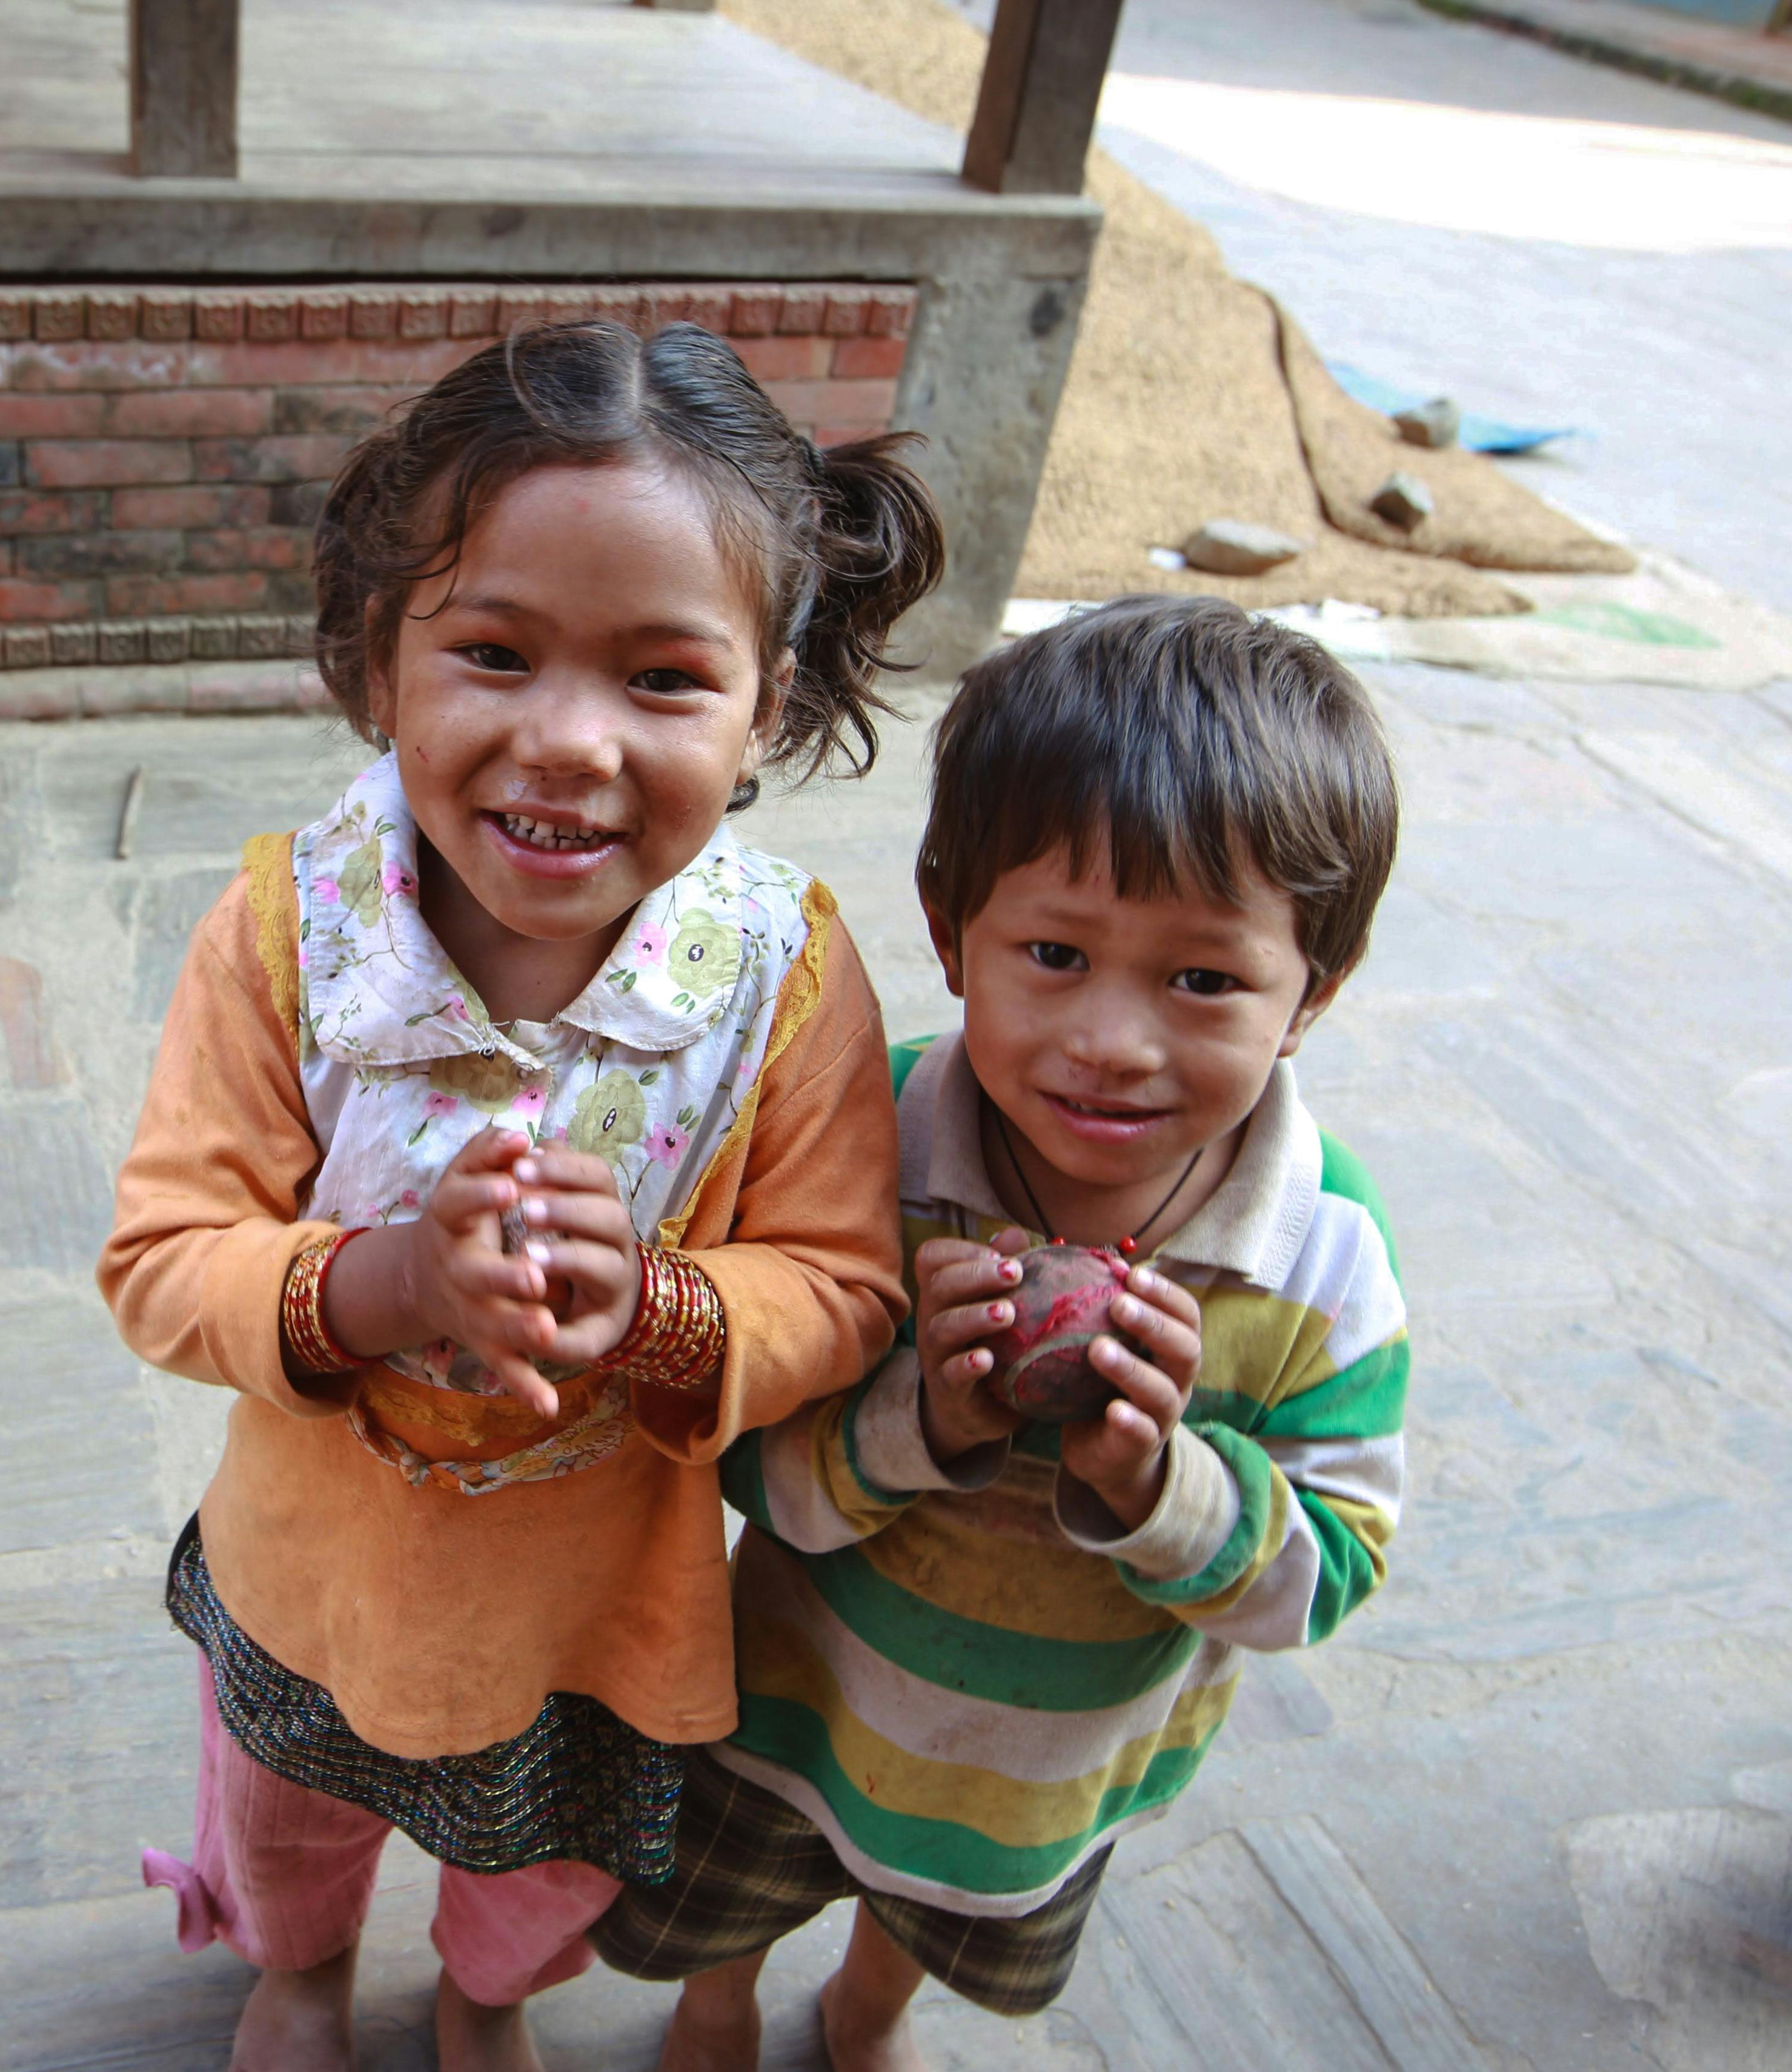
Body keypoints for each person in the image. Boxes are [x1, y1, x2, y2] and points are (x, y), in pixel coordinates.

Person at [96, 318, 943, 2071]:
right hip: (310, 1574)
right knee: (288, 1816)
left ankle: (479, 1998)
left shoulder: (780, 976)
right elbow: (164, 1257)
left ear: (764, 700)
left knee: (536, 1874)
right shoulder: (289, 935)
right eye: (492, 651)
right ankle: (304, 1970)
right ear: (376, 666)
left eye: (662, 678)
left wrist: (661, 1306)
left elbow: (847, 1284)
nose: (566, 740)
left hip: (588, 1611)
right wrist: (389, 1281)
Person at [591, 594, 1411, 2071]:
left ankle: (865, 2010)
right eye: (1052, 952)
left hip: (1043, 1764)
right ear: (948, 928)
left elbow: (1317, 1583)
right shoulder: (860, 1148)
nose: (1110, 1037)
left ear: (1312, 996)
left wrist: (1157, 1485)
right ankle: (714, 2011)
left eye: (1204, 979)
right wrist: (932, 1419)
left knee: (927, 1915)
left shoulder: (1323, 1256)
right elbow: (726, 1454)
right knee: (723, 1896)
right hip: (789, 1696)